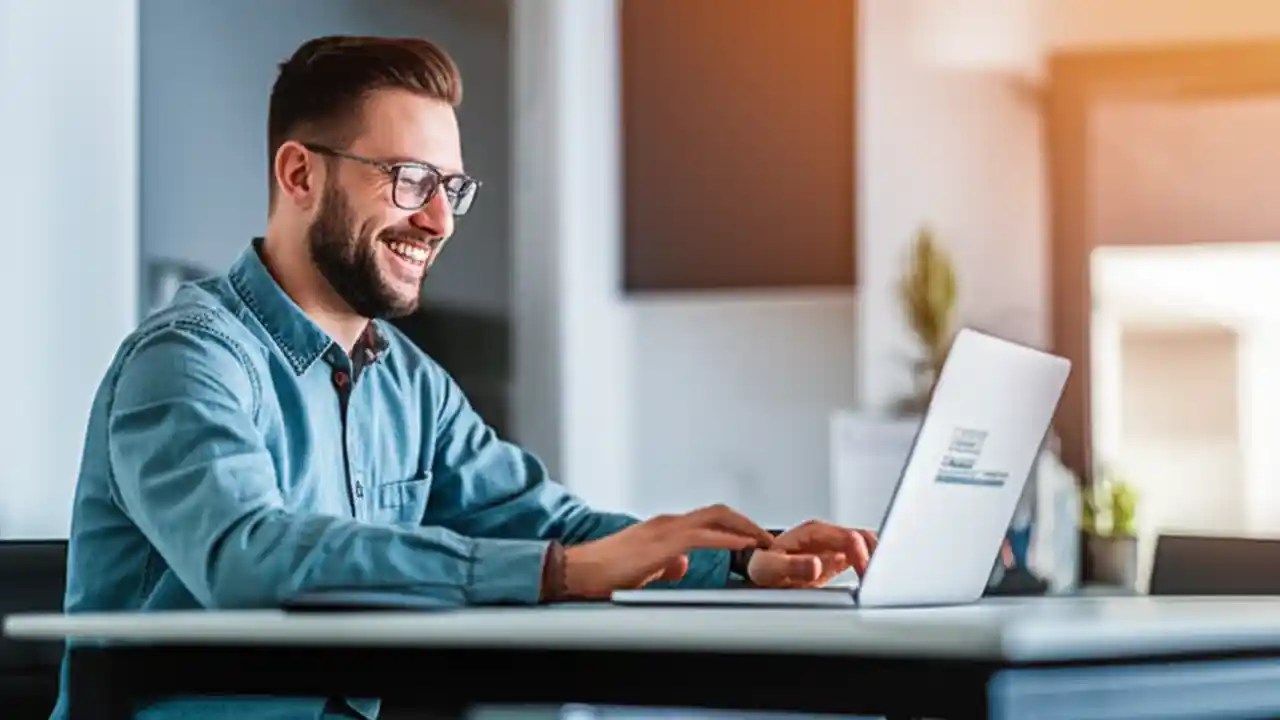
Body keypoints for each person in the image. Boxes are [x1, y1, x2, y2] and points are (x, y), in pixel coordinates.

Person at [52, 35, 878, 719]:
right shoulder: (188, 360)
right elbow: (249, 557)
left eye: (449, 186)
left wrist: (741, 562)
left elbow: (549, 524)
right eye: (409, 180)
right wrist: (558, 572)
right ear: (300, 175)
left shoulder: (409, 385)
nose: (440, 220)